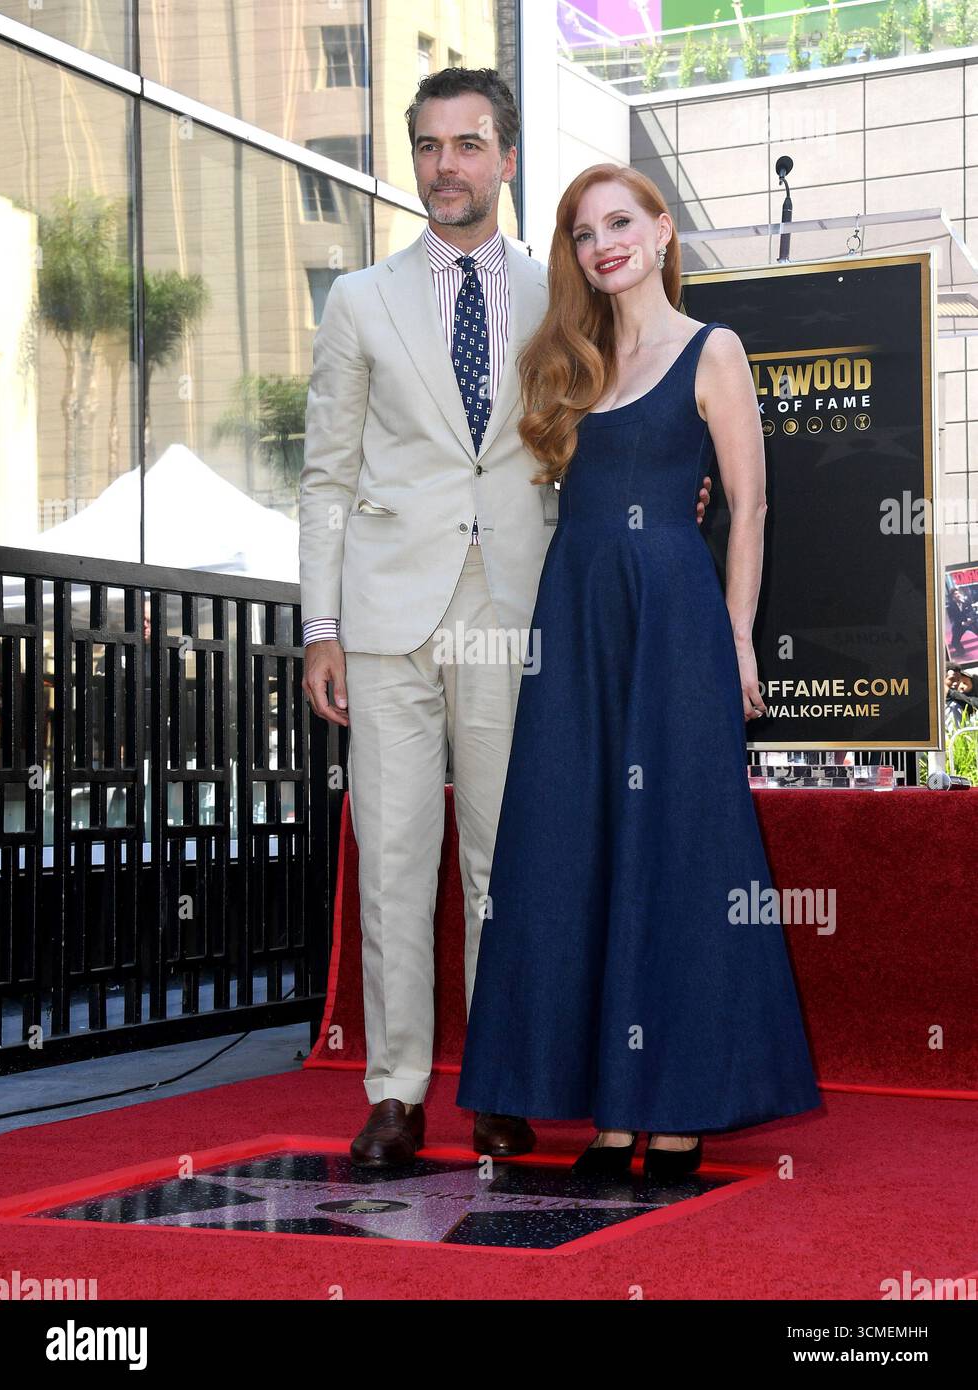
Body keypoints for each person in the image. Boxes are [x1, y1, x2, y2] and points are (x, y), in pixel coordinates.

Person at [298, 71, 715, 1168]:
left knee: (510, 862)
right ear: (413, 159)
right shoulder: (356, 300)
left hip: (525, 611)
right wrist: (319, 628)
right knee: (391, 858)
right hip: (385, 616)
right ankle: (393, 1092)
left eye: (469, 144)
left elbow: (635, 401)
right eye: (428, 145)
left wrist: (682, 486)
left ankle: (501, 1080)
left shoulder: (560, 291)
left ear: (505, 159)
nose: (448, 165)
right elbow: (325, 478)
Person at [456, 163, 823, 1183]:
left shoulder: (715, 350)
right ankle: (610, 1114)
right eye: (581, 231)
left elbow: (746, 507)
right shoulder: (566, 363)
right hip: (574, 624)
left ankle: (673, 1111)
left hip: (671, 621)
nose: (602, 242)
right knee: (577, 846)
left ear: (662, 231)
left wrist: (738, 637)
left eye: (620, 222)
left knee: (676, 854)